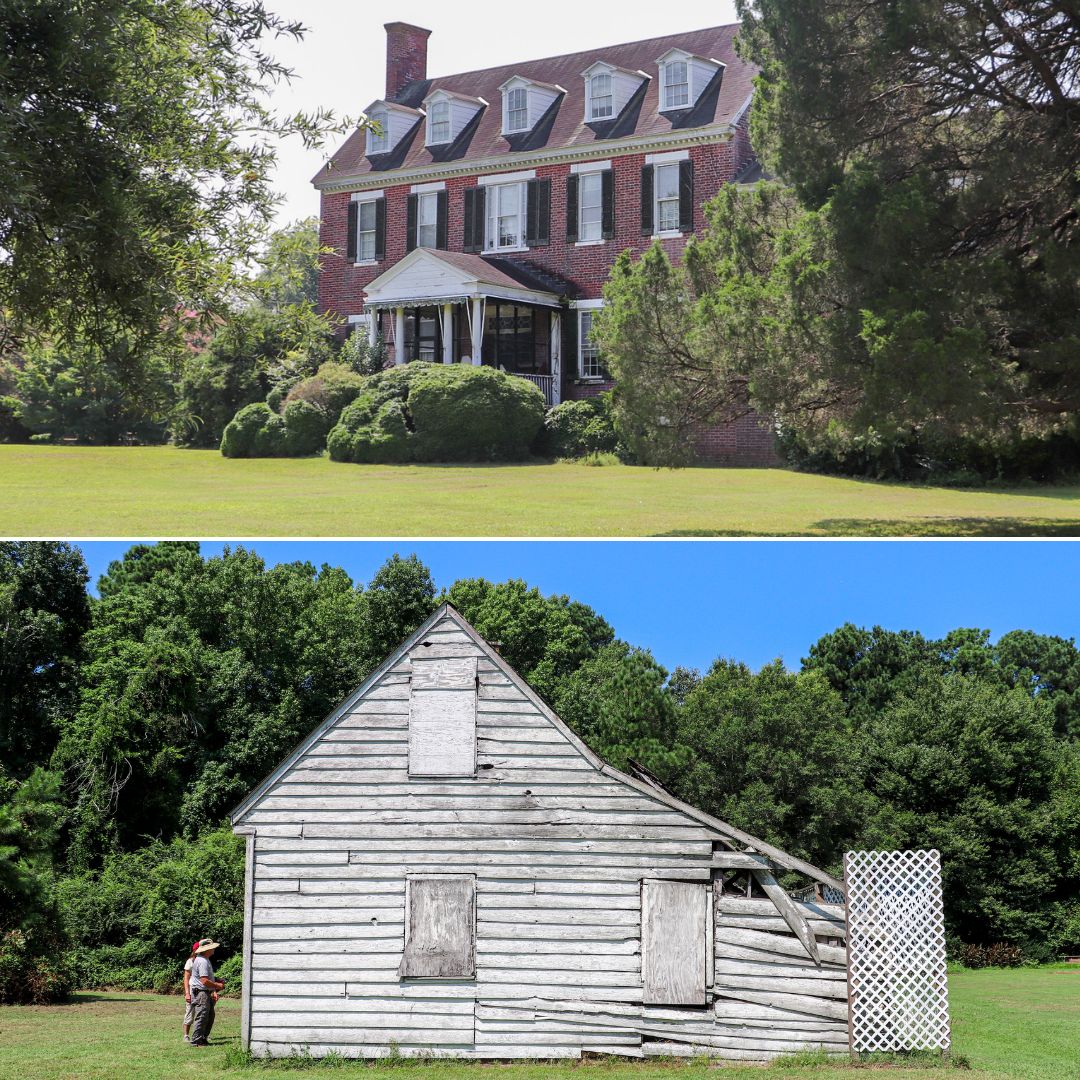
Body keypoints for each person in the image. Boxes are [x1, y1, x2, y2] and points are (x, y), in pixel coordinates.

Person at [188, 939, 225, 1047]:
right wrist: (218, 986)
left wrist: (213, 990)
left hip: (204, 992)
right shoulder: (203, 961)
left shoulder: (204, 959)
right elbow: (204, 980)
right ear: (207, 949)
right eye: (212, 947)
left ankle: (202, 1038)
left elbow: (207, 979)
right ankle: (196, 1041)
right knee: (202, 1016)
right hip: (201, 993)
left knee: (209, 1015)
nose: (214, 949)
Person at [182, 939, 212, 1042]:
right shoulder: (191, 961)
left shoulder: (204, 960)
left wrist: (214, 991)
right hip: (193, 990)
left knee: (204, 1013)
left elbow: (209, 978)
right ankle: (186, 1035)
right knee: (190, 1013)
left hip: (202, 990)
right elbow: (186, 978)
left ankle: (202, 1035)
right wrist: (187, 993)